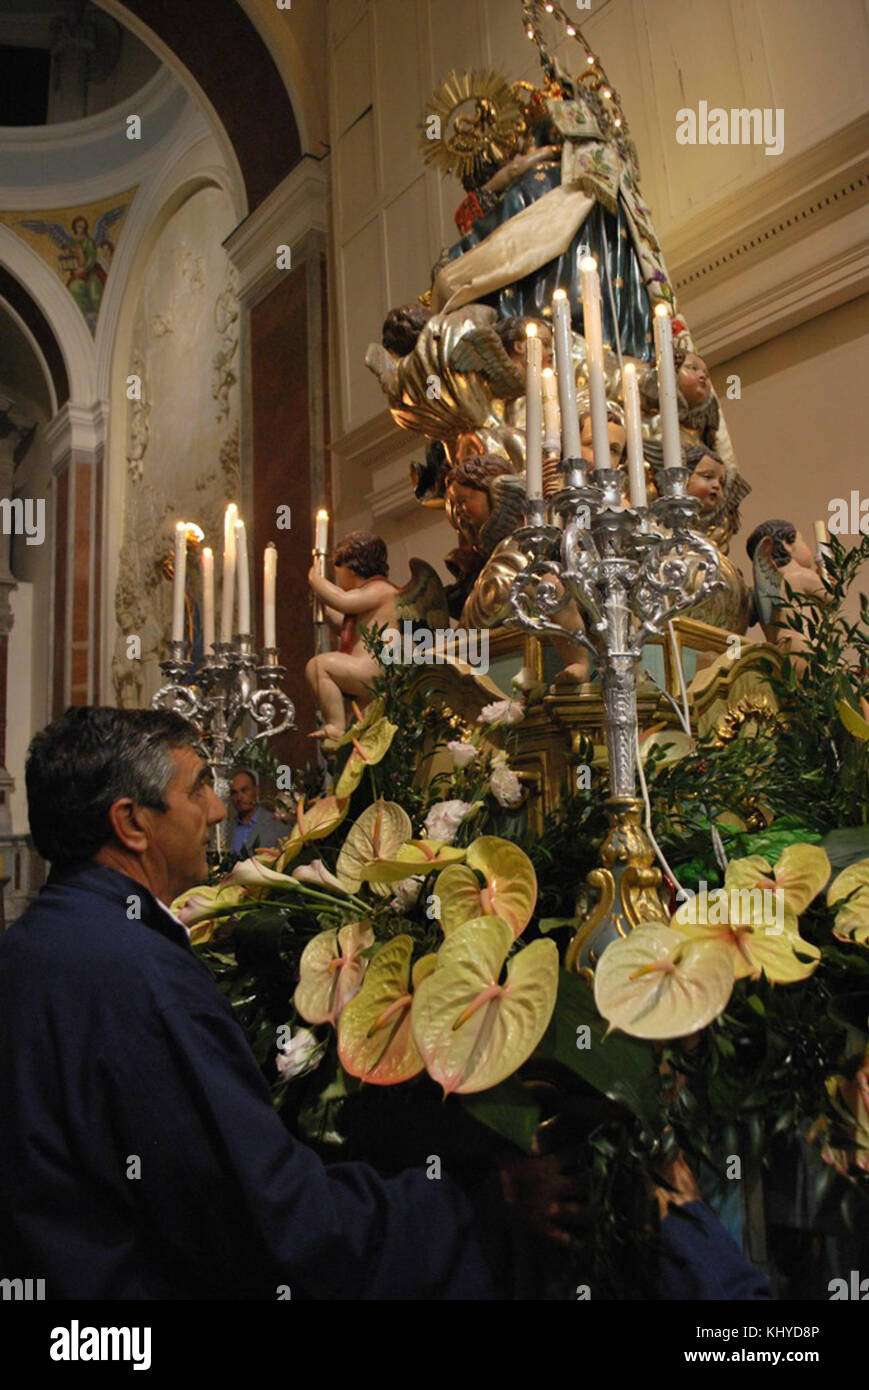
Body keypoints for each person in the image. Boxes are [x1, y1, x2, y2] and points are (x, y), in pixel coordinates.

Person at [0, 707, 771, 1301]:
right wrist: (487, 1202)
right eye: (197, 786)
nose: (216, 808)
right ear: (131, 824)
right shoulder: (141, 979)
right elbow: (272, 1226)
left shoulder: (38, 946)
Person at [306, 532, 399, 743]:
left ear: (352, 567)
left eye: (339, 572)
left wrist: (316, 579)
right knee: (360, 732)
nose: (338, 579)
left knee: (319, 666)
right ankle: (342, 728)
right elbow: (347, 627)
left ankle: (335, 727)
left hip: (374, 669)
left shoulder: (381, 589)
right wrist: (324, 608)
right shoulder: (368, 594)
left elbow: (342, 600)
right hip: (363, 667)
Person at [228, 767, 284, 857]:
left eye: (244, 790)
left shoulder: (277, 826)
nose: (239, 798)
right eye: (234, 793)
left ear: (256, 791)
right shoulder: (228, 828)